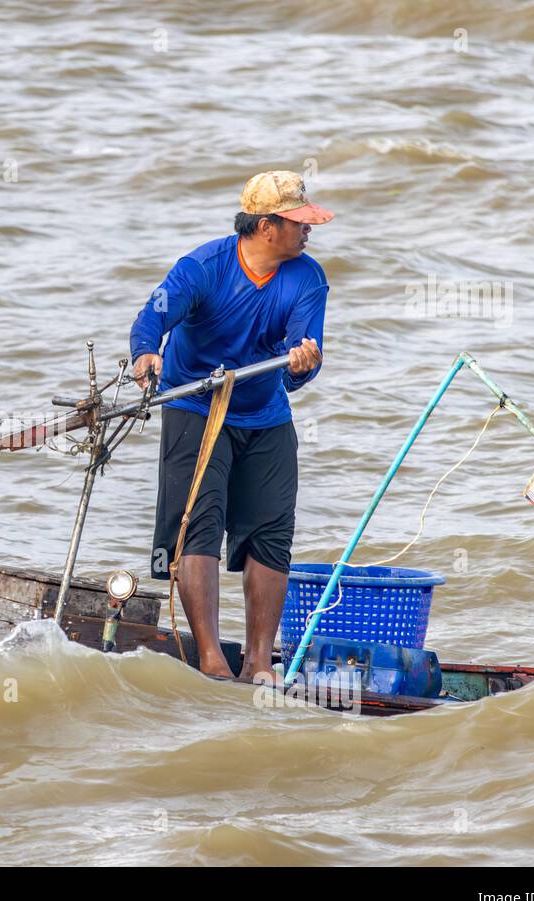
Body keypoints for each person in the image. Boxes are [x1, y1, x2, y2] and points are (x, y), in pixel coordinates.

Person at [129, 170, 333, 680]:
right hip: (196, 407)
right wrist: (146, 354)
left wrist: (304, 364)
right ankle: (213, 659)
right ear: (266, 227)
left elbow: (302, 354)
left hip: (264, 414)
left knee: (271, 534)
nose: (309, 230)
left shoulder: (308, 278)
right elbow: (151, 318)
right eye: (299, 222)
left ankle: (259, 664)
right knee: (197, 527)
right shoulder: (202, 268)